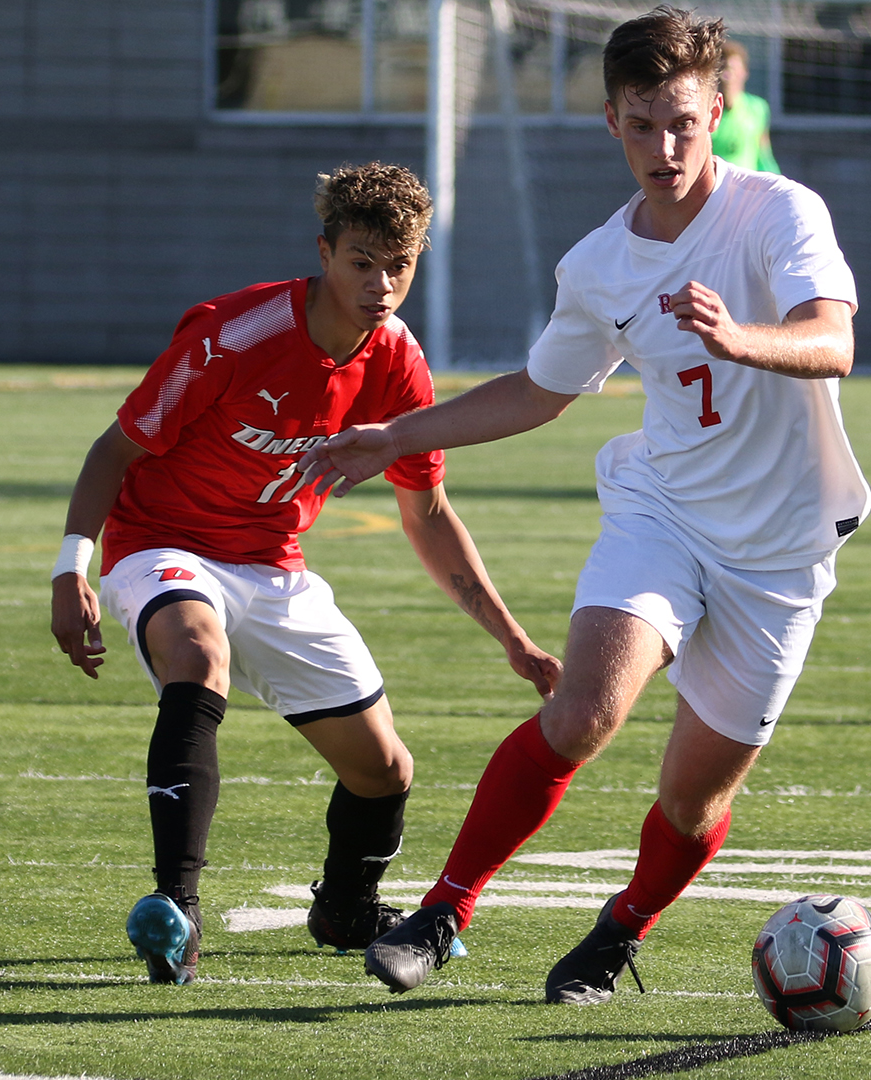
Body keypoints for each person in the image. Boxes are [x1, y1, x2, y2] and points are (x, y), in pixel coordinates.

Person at [300, 6, 868, 1004]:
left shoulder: (779, 213)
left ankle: (615, 936)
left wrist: (741, 339)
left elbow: (833, 342)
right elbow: (538, 391)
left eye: (683, 123)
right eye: (642, 124)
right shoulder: (600, 263)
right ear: (611, 120)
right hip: (663, 513)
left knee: (693, 800)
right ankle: (441, 912)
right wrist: (398, 436)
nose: (664, 147)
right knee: (585, 710)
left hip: (778, 552)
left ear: (716, 111)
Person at [48, 162, 561, 985]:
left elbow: (426, 512)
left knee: (384, 769)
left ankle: (347, 908)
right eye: (361, 261)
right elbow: (114, 450)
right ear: (324, 252)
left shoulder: (397, 361)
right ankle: (176, 909)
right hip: (163, 544)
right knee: (197, 651)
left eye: (399, 264)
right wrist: (70, 568)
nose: (381, 283)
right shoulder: (237, 334)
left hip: (276, 568)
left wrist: (516, 641)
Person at [710, 39, 779, 174]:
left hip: (747, 190)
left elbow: (764, 155)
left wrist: (776, 181)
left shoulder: (757, 108)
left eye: (732, 69)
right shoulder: (704, 111)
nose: (726, 76)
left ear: (744, 72)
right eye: (721, 69)